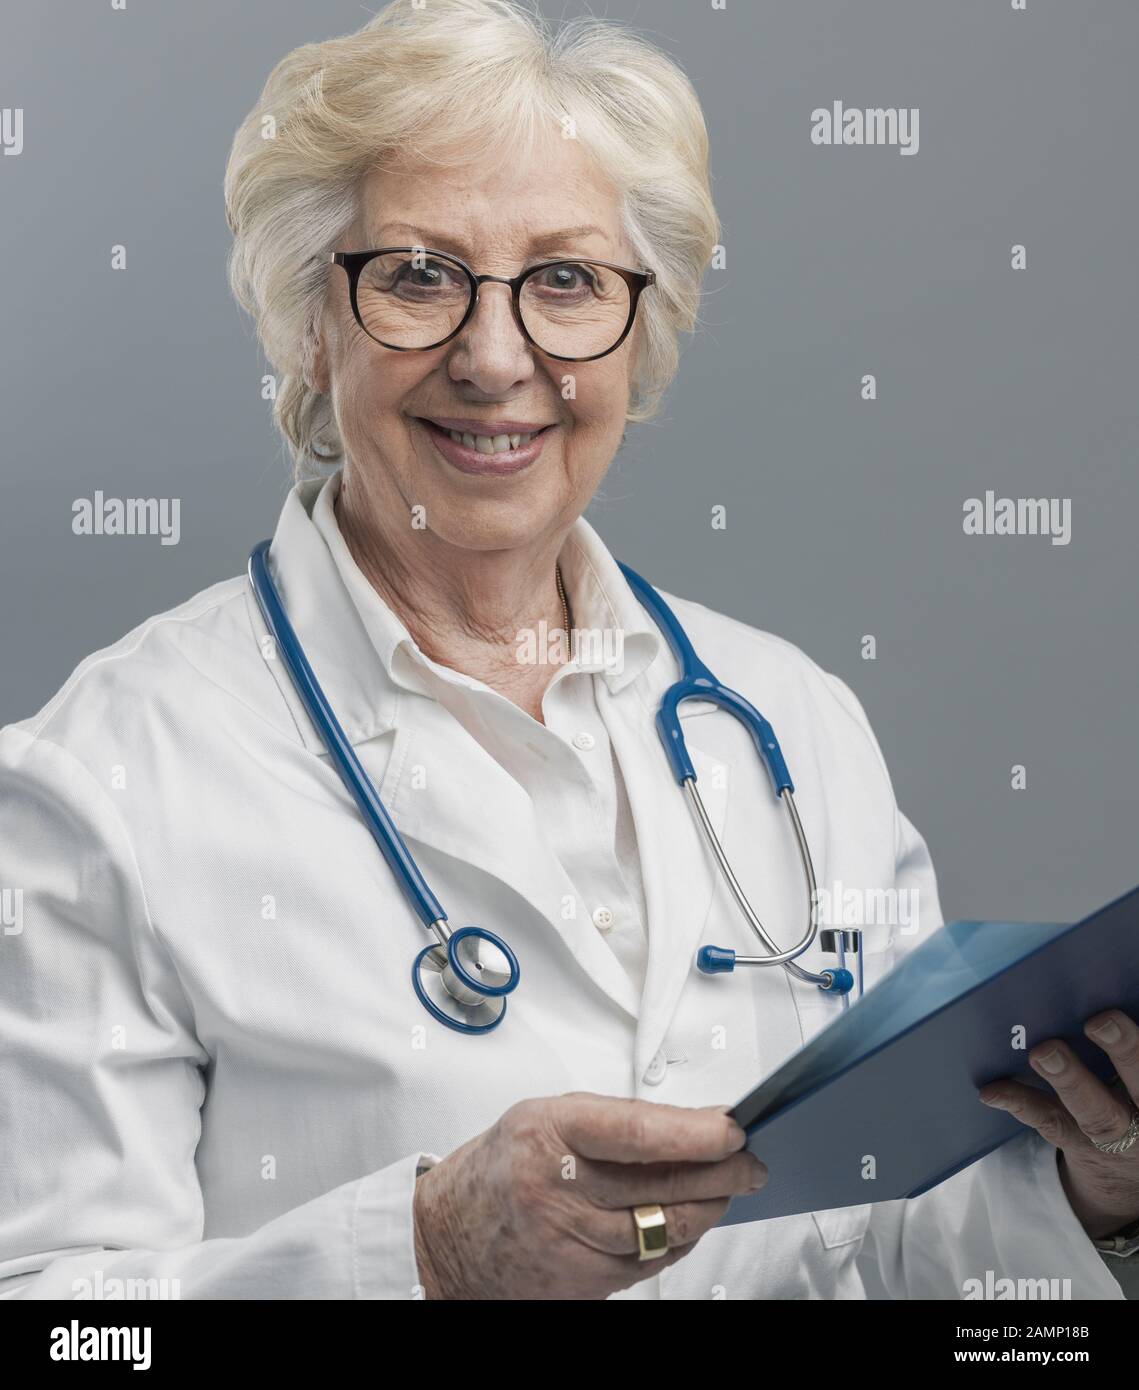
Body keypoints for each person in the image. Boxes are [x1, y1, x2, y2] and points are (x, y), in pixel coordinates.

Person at [1, 0, 1135, 1300]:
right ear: (311, 323)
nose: (495, 357)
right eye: (420, 274)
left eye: (566, 280)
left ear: (638, 335)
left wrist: (1090, 1193)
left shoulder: (793, 725)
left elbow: (896, 1257)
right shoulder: (90, 788)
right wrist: (422, 1254)